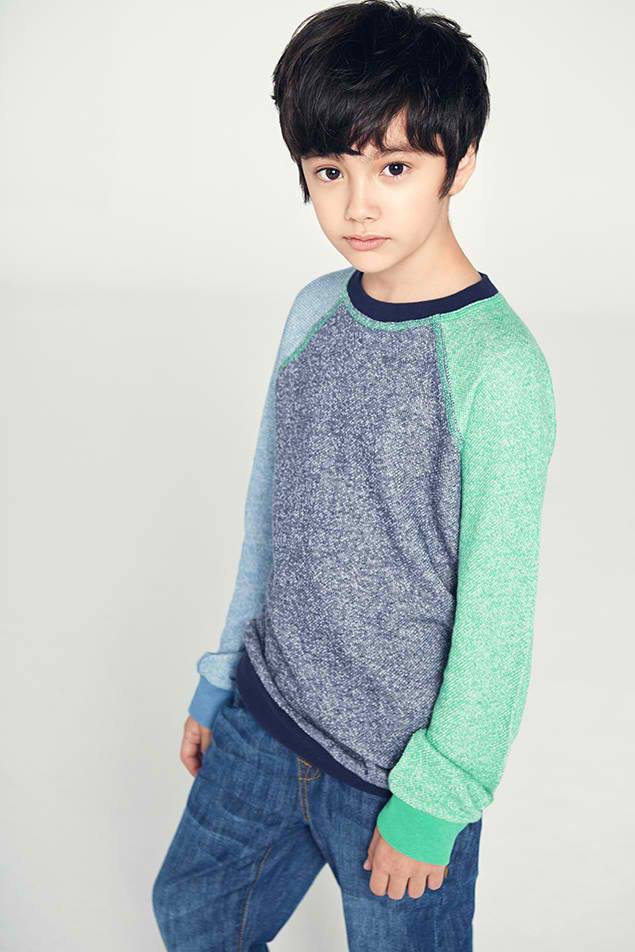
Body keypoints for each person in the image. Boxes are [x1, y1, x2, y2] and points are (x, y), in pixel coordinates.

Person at [152, 2, 557, 949]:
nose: (358, 205)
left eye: (395, 168)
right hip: (263, 717)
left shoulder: (498, 370)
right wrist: (221, 678)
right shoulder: (312, 313)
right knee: (192, 916)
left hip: (396, 775)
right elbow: (271, 516)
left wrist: (439, 795)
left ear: (459, 165)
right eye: (330, 170)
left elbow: (498, 608)